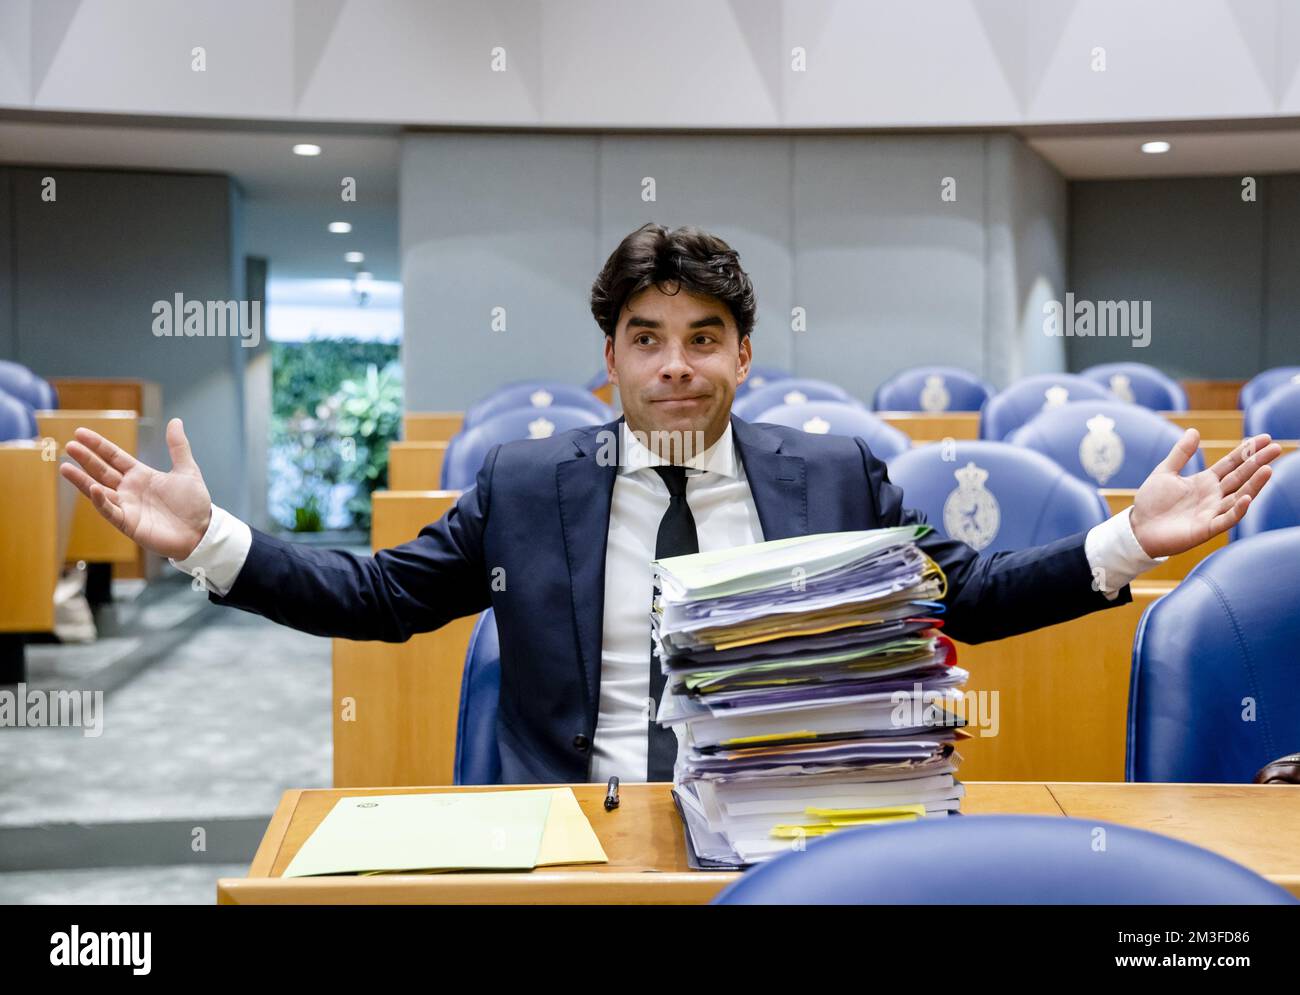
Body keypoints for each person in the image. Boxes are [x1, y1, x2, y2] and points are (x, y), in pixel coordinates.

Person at [60, 223, 1282, 784]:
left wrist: (1126, 540)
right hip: (582, 826)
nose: (675, 364)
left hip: (792, 815)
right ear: (611, 359)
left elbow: (960, 597)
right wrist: (212, 544)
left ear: (744, 357)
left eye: (705, 338)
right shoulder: (529, 485)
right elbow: (381, 596)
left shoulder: (833, 476)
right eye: (646, 339)